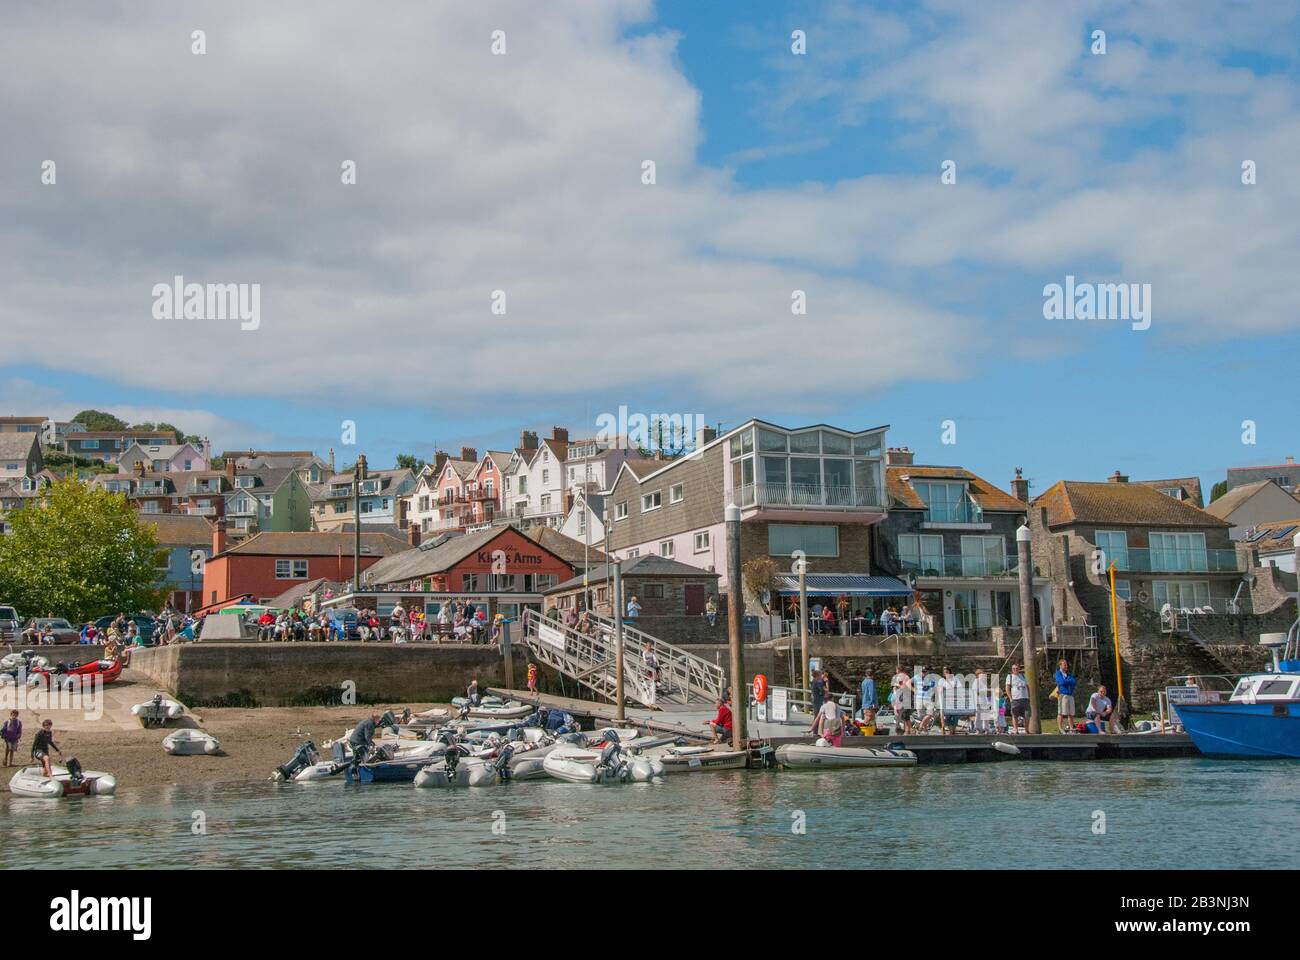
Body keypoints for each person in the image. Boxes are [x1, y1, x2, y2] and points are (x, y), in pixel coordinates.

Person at [1005, 663, 1031, 734]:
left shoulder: (1023, 676)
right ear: (1012, 669)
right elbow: (1007, 688)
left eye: (1017, 668)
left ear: (1019, 669)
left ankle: (1026, 730)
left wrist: (1029, 696)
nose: (1015, 670)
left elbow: (1027, 686)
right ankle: (1015, 729)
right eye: (1014, 669)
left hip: (1025, 698)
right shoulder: (1010, 676)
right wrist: (1010, 698)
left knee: (1027, 715)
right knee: (1015, 715)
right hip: (1015, 699)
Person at [1054, 659, 1078, 733]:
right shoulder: (1058, 673)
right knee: (1061, 712)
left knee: (1071, 713)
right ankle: (1060, 728)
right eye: (1064, 664)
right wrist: (1069, 682)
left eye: (1066, 664)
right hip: (1063, 695)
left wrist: (1067, 682)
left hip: (1070, 695)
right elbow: (1061, 682)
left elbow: (1074, 682)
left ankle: (1071, 729)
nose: (1066, 666)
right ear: (1060, 665)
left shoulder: (1069, 674)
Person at [891, 667, 914, 734]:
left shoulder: (906, 678)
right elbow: (894, 687)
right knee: (901, 715)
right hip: (899, 699)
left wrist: (897, 685)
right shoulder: (897, 678)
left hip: (905, 699)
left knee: (905, 716)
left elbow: (904, 687)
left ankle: (908, 730)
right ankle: (905, 730)